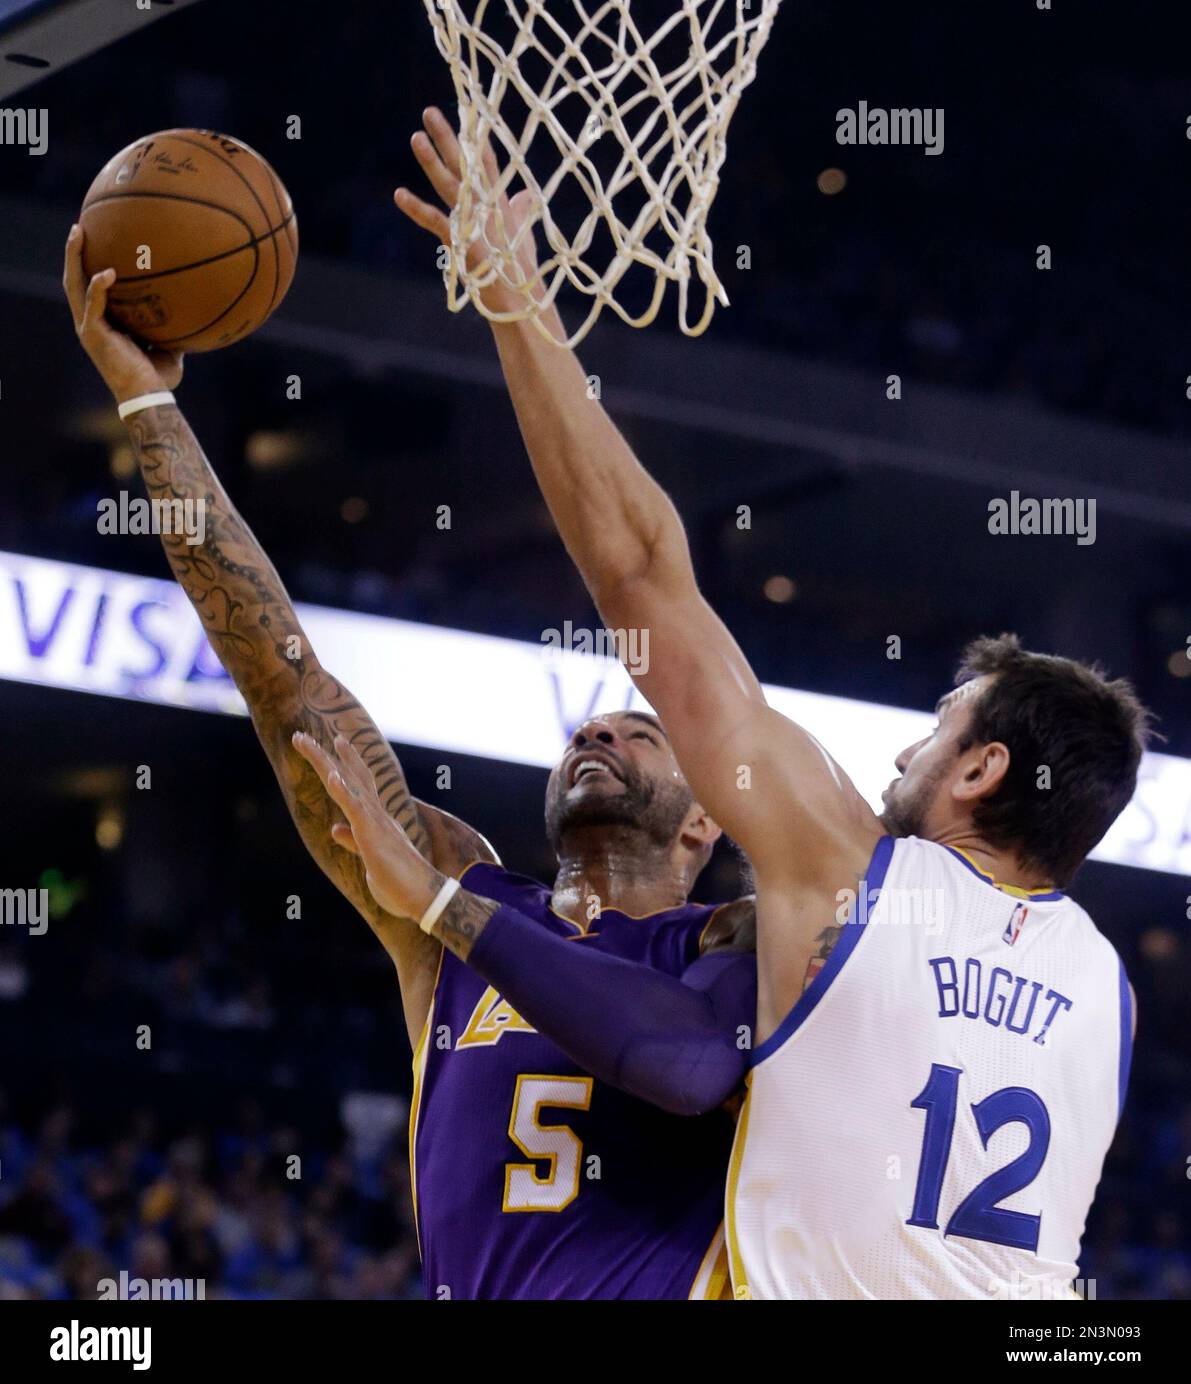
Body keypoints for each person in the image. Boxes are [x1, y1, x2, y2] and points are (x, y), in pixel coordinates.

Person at [392, 108, 1151, 1299]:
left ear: (984, 768)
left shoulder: (852, 871)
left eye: (944, 723)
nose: (912, 746)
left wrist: (511, 295)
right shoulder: (1111, 993)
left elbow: (640, 576)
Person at [63, 225, 754, 1300]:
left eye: (640, 732)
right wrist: (149, 406)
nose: (596, 735)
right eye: (585, 729)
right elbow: (282, 677)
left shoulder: (722, 949)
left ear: (706, 825)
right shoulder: (456, 899)